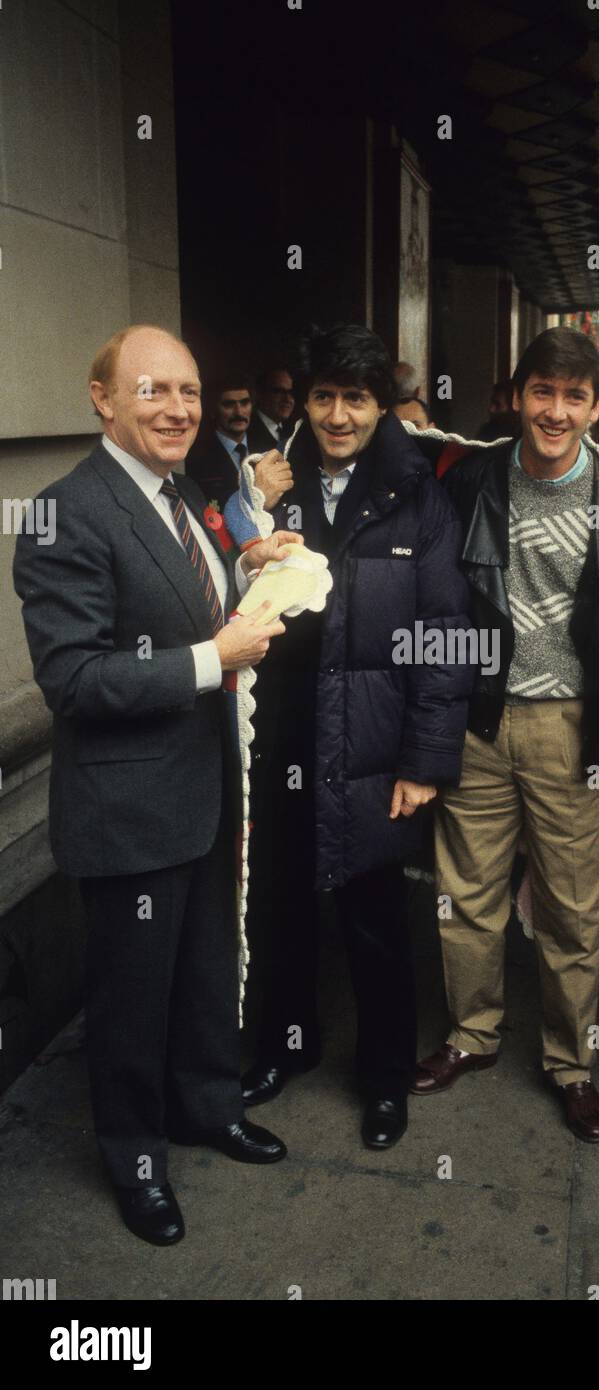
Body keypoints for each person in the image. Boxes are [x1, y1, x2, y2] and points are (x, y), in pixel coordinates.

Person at [13, 325, 299, 1246]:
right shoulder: (65, 511)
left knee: (207, 970)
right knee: (133, 999)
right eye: (152, 391)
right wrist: (212, 657)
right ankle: (137, 1161)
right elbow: (76, 681)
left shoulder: (183, 496)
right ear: (101, 399)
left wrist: (241, 571)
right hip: (129, 810)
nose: (177, 409)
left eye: (187, 390)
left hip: (207, 788)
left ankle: (206, 1108)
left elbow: (178, 598)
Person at [412, 326, 599, 1143]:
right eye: (542, 392)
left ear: (597, 406)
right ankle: (473, 1035)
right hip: (480, 721)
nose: (555, 412)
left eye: (574, 397)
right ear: (518, 395)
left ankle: (570, 1064)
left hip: (577, 730)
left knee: (573, 909)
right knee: (467, 897)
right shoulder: (473, 478)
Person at [227, 324, 473, 1150]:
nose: (338, 415)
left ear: (380, 407)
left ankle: (383, 1080)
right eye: (324, 396)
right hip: (287, 737)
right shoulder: (277, 485)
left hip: (375, 746)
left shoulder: (416, 492)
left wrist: (425, 761)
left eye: (356, 399)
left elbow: (444, 632)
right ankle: (284, 1048)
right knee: (284, 906)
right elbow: (226, 584)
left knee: (375, 918)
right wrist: (249, 515)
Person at [186, 373, 293, 511]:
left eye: (244, 402)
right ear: (213, 410)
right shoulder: (197, 458)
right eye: (228, 404)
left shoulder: (270, 448)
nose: (239, 412)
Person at [247, 365, 295, 453]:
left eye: (290, 392)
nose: (288, 399)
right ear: (259, 394)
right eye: (278, 392)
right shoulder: (245, 431)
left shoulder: (294, 431)